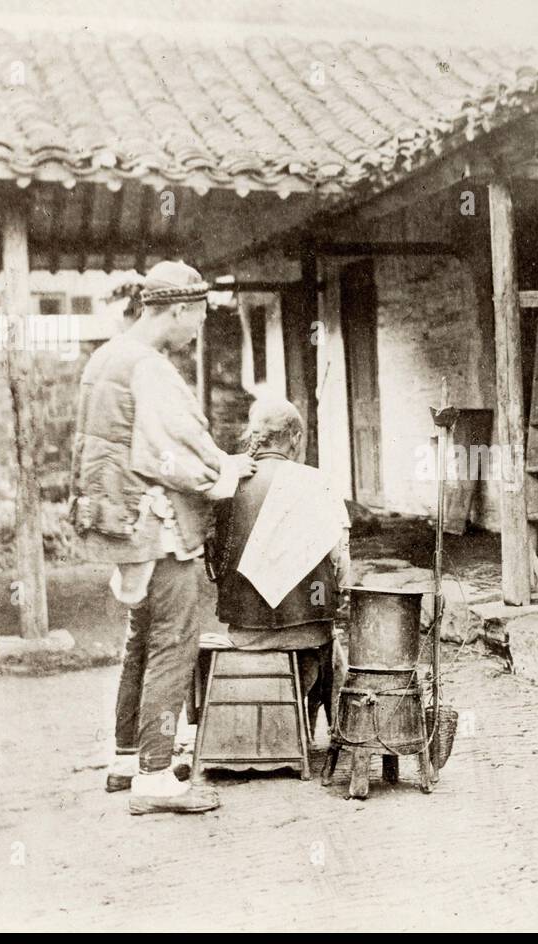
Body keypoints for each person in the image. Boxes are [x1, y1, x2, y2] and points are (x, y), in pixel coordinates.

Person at [70, 260, 252, 815]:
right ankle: (155, 776)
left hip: (121, 517)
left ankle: (126, 757)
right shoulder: (149, 366)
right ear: (177, 310)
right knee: (175, 640)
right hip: (158, 521)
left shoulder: (108, 354)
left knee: (140, 637)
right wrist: (223, 473)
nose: (197, 330)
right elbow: (170, 448)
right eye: (196, 318)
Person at [205, 398, 349, 741]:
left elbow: (212, 559)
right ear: (295, 438)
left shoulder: (229, 483)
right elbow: (341, 563)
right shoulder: (318, 482)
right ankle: (339, 735)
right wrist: (335, 595)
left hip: (243, 630)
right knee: (331, 647)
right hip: (308, 632)